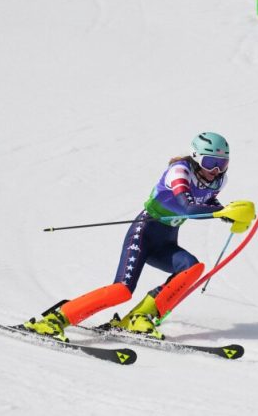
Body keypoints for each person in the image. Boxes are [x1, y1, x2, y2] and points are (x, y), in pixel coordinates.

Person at [23, 132, 241, 341]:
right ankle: (55, 319)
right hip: (143, 234)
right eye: (210, 162)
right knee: (122, 290)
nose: (215, 170)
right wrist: (222, 212)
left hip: (165, 242)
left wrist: (233, 214)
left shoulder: (218, 181)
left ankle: (140, 316)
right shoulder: (179, 171)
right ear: (196, 157)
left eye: (222, 164)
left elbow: (208, 202)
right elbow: (187, 207)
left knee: (192, 267)